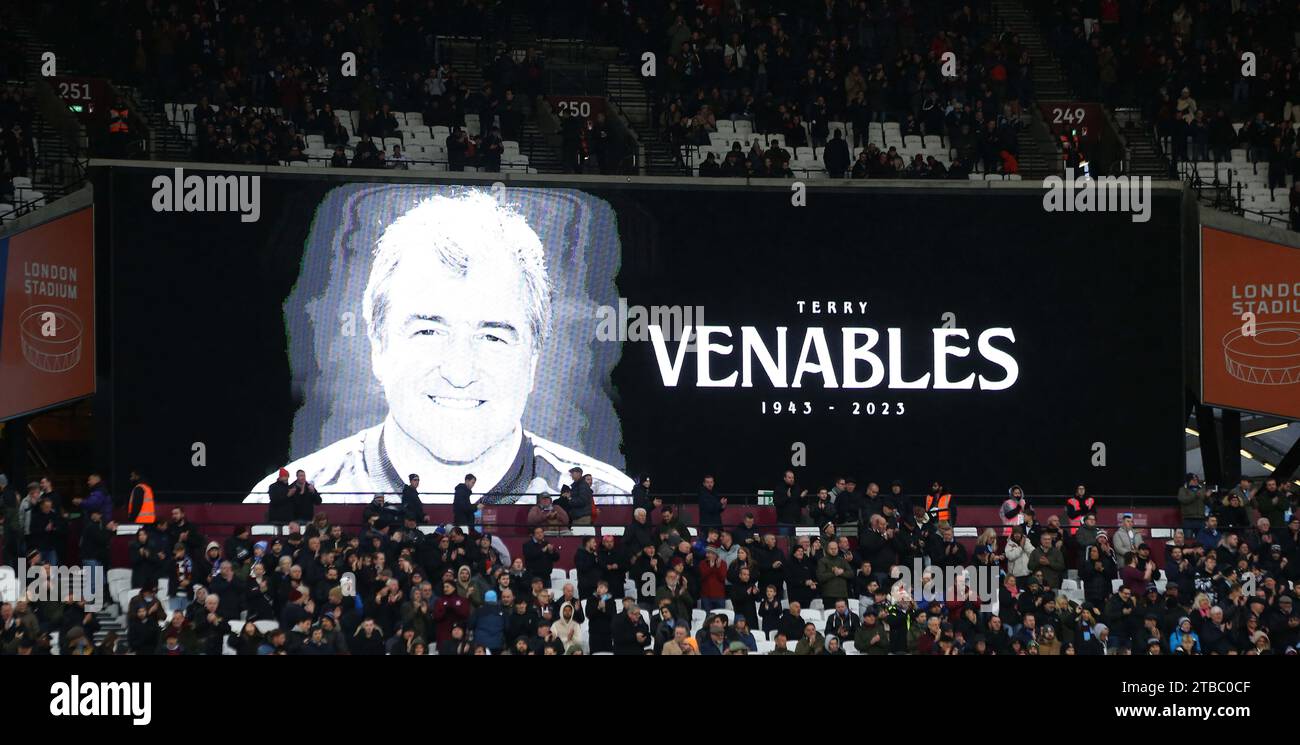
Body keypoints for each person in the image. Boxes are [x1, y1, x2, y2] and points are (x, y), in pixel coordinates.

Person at [244, 193, 635, 505]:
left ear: (533, 360)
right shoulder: (276, 503)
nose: (459, 371)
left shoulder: (614, 502)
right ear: (377, 345)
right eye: (429, 331)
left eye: (493, 336)